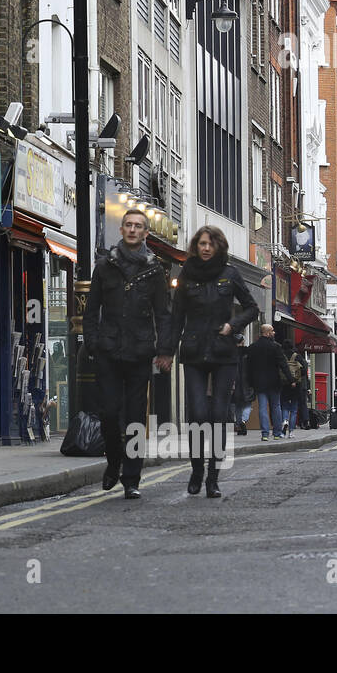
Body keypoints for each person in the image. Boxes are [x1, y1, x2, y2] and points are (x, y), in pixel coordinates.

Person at [160, 225, 259, 499]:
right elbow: (176, 316)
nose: (205, 248)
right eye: (202, 243)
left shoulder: (230, 274)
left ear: (218, 247)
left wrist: (232, 324)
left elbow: (252, 308)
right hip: (193, 352)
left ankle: (213, 477)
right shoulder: (187, 275)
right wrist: (167, 351)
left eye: (210, 244)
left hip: (223, 352)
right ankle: (196, 470)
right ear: (196, 245)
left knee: (218, 416)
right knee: (198, 415)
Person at [82, 208, 173, 500]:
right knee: (109, 414)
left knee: (135, 417)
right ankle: (114, 462)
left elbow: (163, 314)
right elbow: (91, 308)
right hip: (108, 350)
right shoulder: (105, 266)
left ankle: (131, 478)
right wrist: (93, 341)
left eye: (138, 226)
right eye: (128, 225)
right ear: (121, 230)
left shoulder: (155, 269)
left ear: (146, 233)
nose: (133, 230)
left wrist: (164, 350)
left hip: (139, 352)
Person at [246, 324, 296, 440]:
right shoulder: (276, 347)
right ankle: (277, 433)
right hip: (274, 382)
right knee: (276, 406)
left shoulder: (253, 347)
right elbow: (283, 364)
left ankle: (264, 434)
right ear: (267, 333)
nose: (274, 333)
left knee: (262, 407)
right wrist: (291, 379)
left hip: (259, 383)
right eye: (273, 331)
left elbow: (248, 367)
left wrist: (249, 382)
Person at [231, 333, 253, 436]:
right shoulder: (248, 353)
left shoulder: (230, 353)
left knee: (237, 406)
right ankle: (244, 420)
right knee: (248, 404)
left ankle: (239, 424)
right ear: (243, 342)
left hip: (234, 381)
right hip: (247, 381)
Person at [289, 347, 311, 429]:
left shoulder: (293, 361)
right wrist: (308, 387)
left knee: (293, 404)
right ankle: (305, 421)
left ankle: (293, 423)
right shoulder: (304, 361)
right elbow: (306, 375)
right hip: (304, 386)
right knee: (303, 404)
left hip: (295, 384)